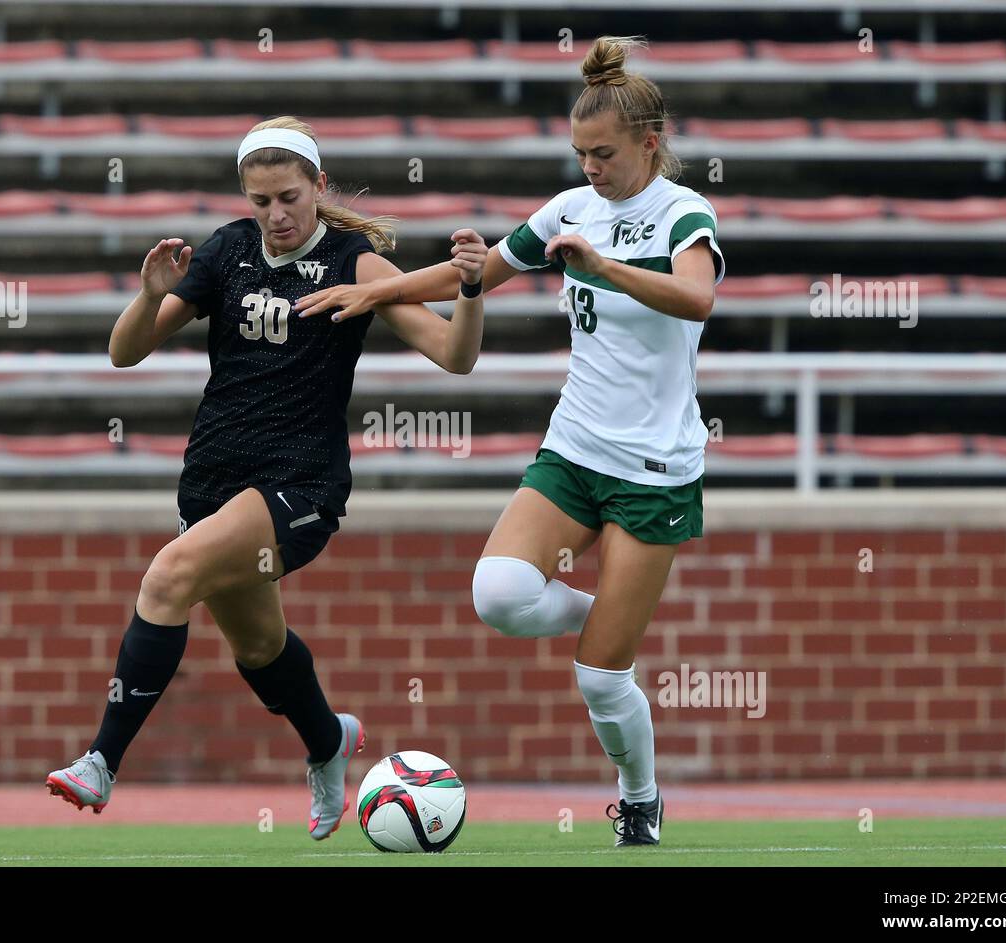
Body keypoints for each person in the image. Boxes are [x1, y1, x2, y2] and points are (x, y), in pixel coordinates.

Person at [294, 36, 724, 846]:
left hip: (657, 470)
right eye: (579, 153)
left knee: (600, 679)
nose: (591, 167)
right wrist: (372, 288)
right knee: (497, 592)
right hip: (575, 449)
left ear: (649, 143)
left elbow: (696, 299)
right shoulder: (570, 207)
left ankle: (640, 795)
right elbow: (477, 275)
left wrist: (603, 267)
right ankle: (611, 617)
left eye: (604, 153)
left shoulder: (683, 213)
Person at [46, 116, 488, 840]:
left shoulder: (356, 260)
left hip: (301, 484)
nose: (276, 215)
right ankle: (328, 742)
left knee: (167, 577)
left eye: (289, 196)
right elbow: (125, 352)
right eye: (260, 200)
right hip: (214, 478)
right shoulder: (225, 251)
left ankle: (101, 763)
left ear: (319, 186)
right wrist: (149, 293)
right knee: (257, 649)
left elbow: (454, 356)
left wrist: (470, 291)